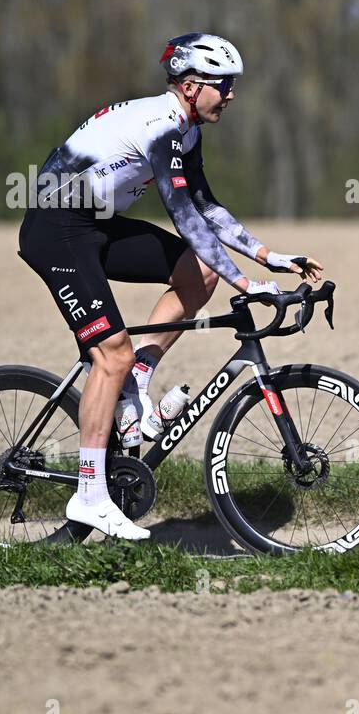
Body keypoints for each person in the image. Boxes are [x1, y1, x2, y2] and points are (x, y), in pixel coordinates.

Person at [18, 33, 323, 540]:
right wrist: (249, 283)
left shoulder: (187, 131)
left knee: (197, 272)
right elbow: (183, 216)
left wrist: (271, 257)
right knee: (108, 355)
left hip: (93, 223)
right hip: (57, 229)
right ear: (189, 85)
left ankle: (140, 373)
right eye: (223, 85)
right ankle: (90, 495)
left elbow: (207, 207)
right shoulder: (161, 128)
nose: (230, 95)